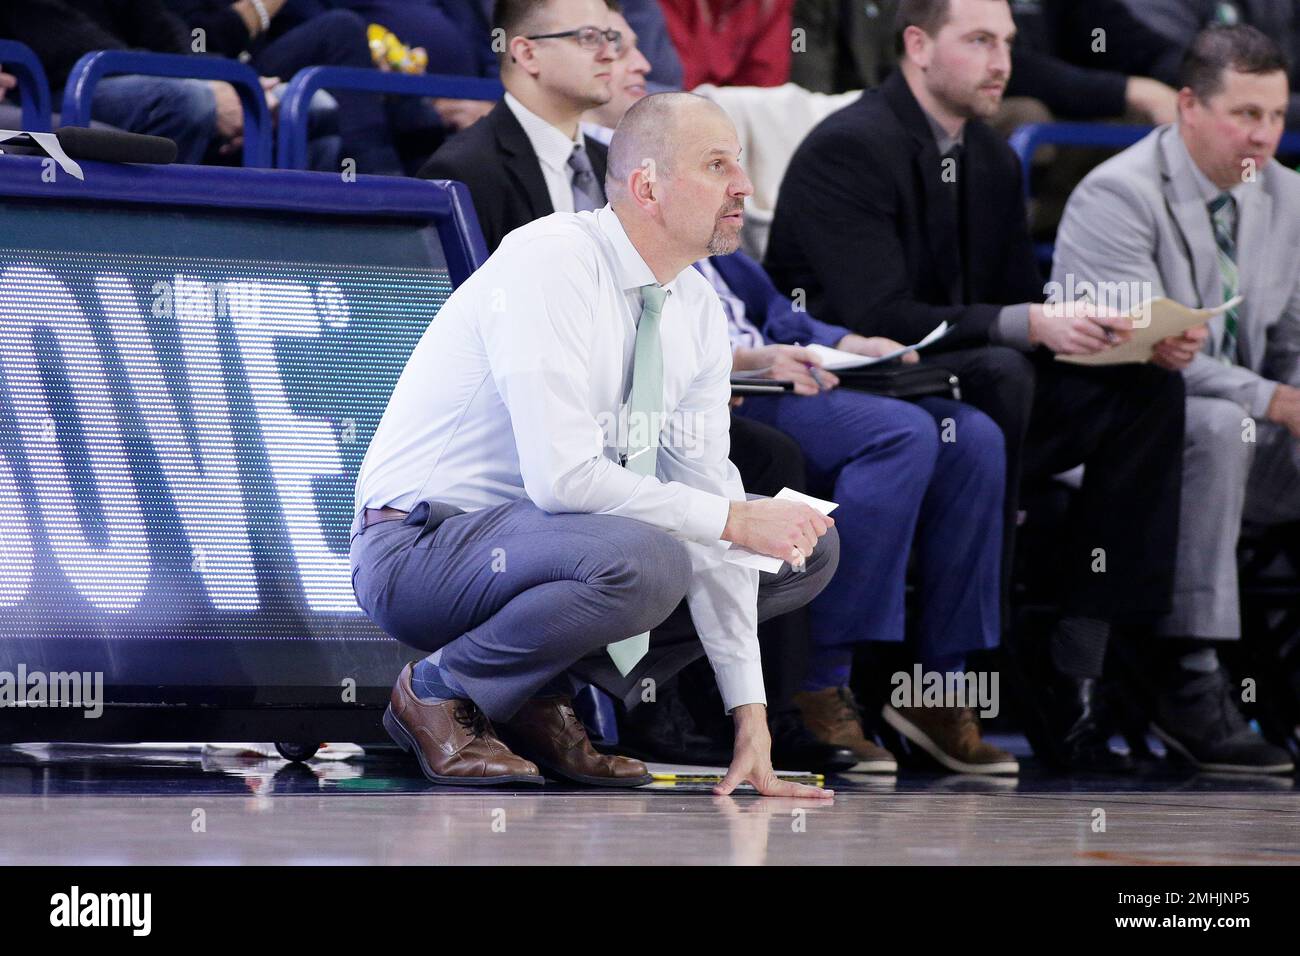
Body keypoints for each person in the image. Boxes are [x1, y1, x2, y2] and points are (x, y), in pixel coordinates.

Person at [351, 90, 839, 796]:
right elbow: (563, 482)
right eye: (717, 165)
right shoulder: (552, 260)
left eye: (739, 163)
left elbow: (708, 502)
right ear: (647, 186)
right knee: (654, 554)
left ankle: (526, 695)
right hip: (421, 548)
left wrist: (750, 722)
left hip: (554, 551)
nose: (744, 186)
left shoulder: (696, 308)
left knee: (800, 548)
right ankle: (438, 690)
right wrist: (732, 518)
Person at [583, 7, 1014, 775]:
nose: (740, 185)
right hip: (738, 388)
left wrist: (841, 342)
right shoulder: (601, 213)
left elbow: (769, 300)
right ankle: (824, 685)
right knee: (903, 434)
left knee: (974, 433)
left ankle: (938, 684)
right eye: (719, 164)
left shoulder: (708, 221)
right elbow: (648, 334)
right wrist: (757, 360)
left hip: (786, 363)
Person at [766, 0, 1191, 771]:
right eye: (981, 41)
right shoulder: (850, 147)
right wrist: (1028, 324)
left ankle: (1082, 662)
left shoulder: (990, 156)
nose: (1003, 61)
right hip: (857, 381)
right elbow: (879, 316)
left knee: (1147, 389)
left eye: (1008, 44)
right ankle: (938, 682)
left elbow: (1015, 301)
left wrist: (1123, 336)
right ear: (918, 45)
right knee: (998, 384)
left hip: (972, 388)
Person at [1052, 24, 1298, 773]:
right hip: (1131, 448)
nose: (1264, 137)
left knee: (1239, 424)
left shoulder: (1288, 197)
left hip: (1252, 436)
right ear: (1188, 105)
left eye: (1278, 116)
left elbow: (1291, 340)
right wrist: (1276, 400)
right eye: (1246, 115)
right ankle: (1188, 675)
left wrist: (1287, 394)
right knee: (1220, 423)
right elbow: (1128, 362)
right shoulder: (1115, 195)